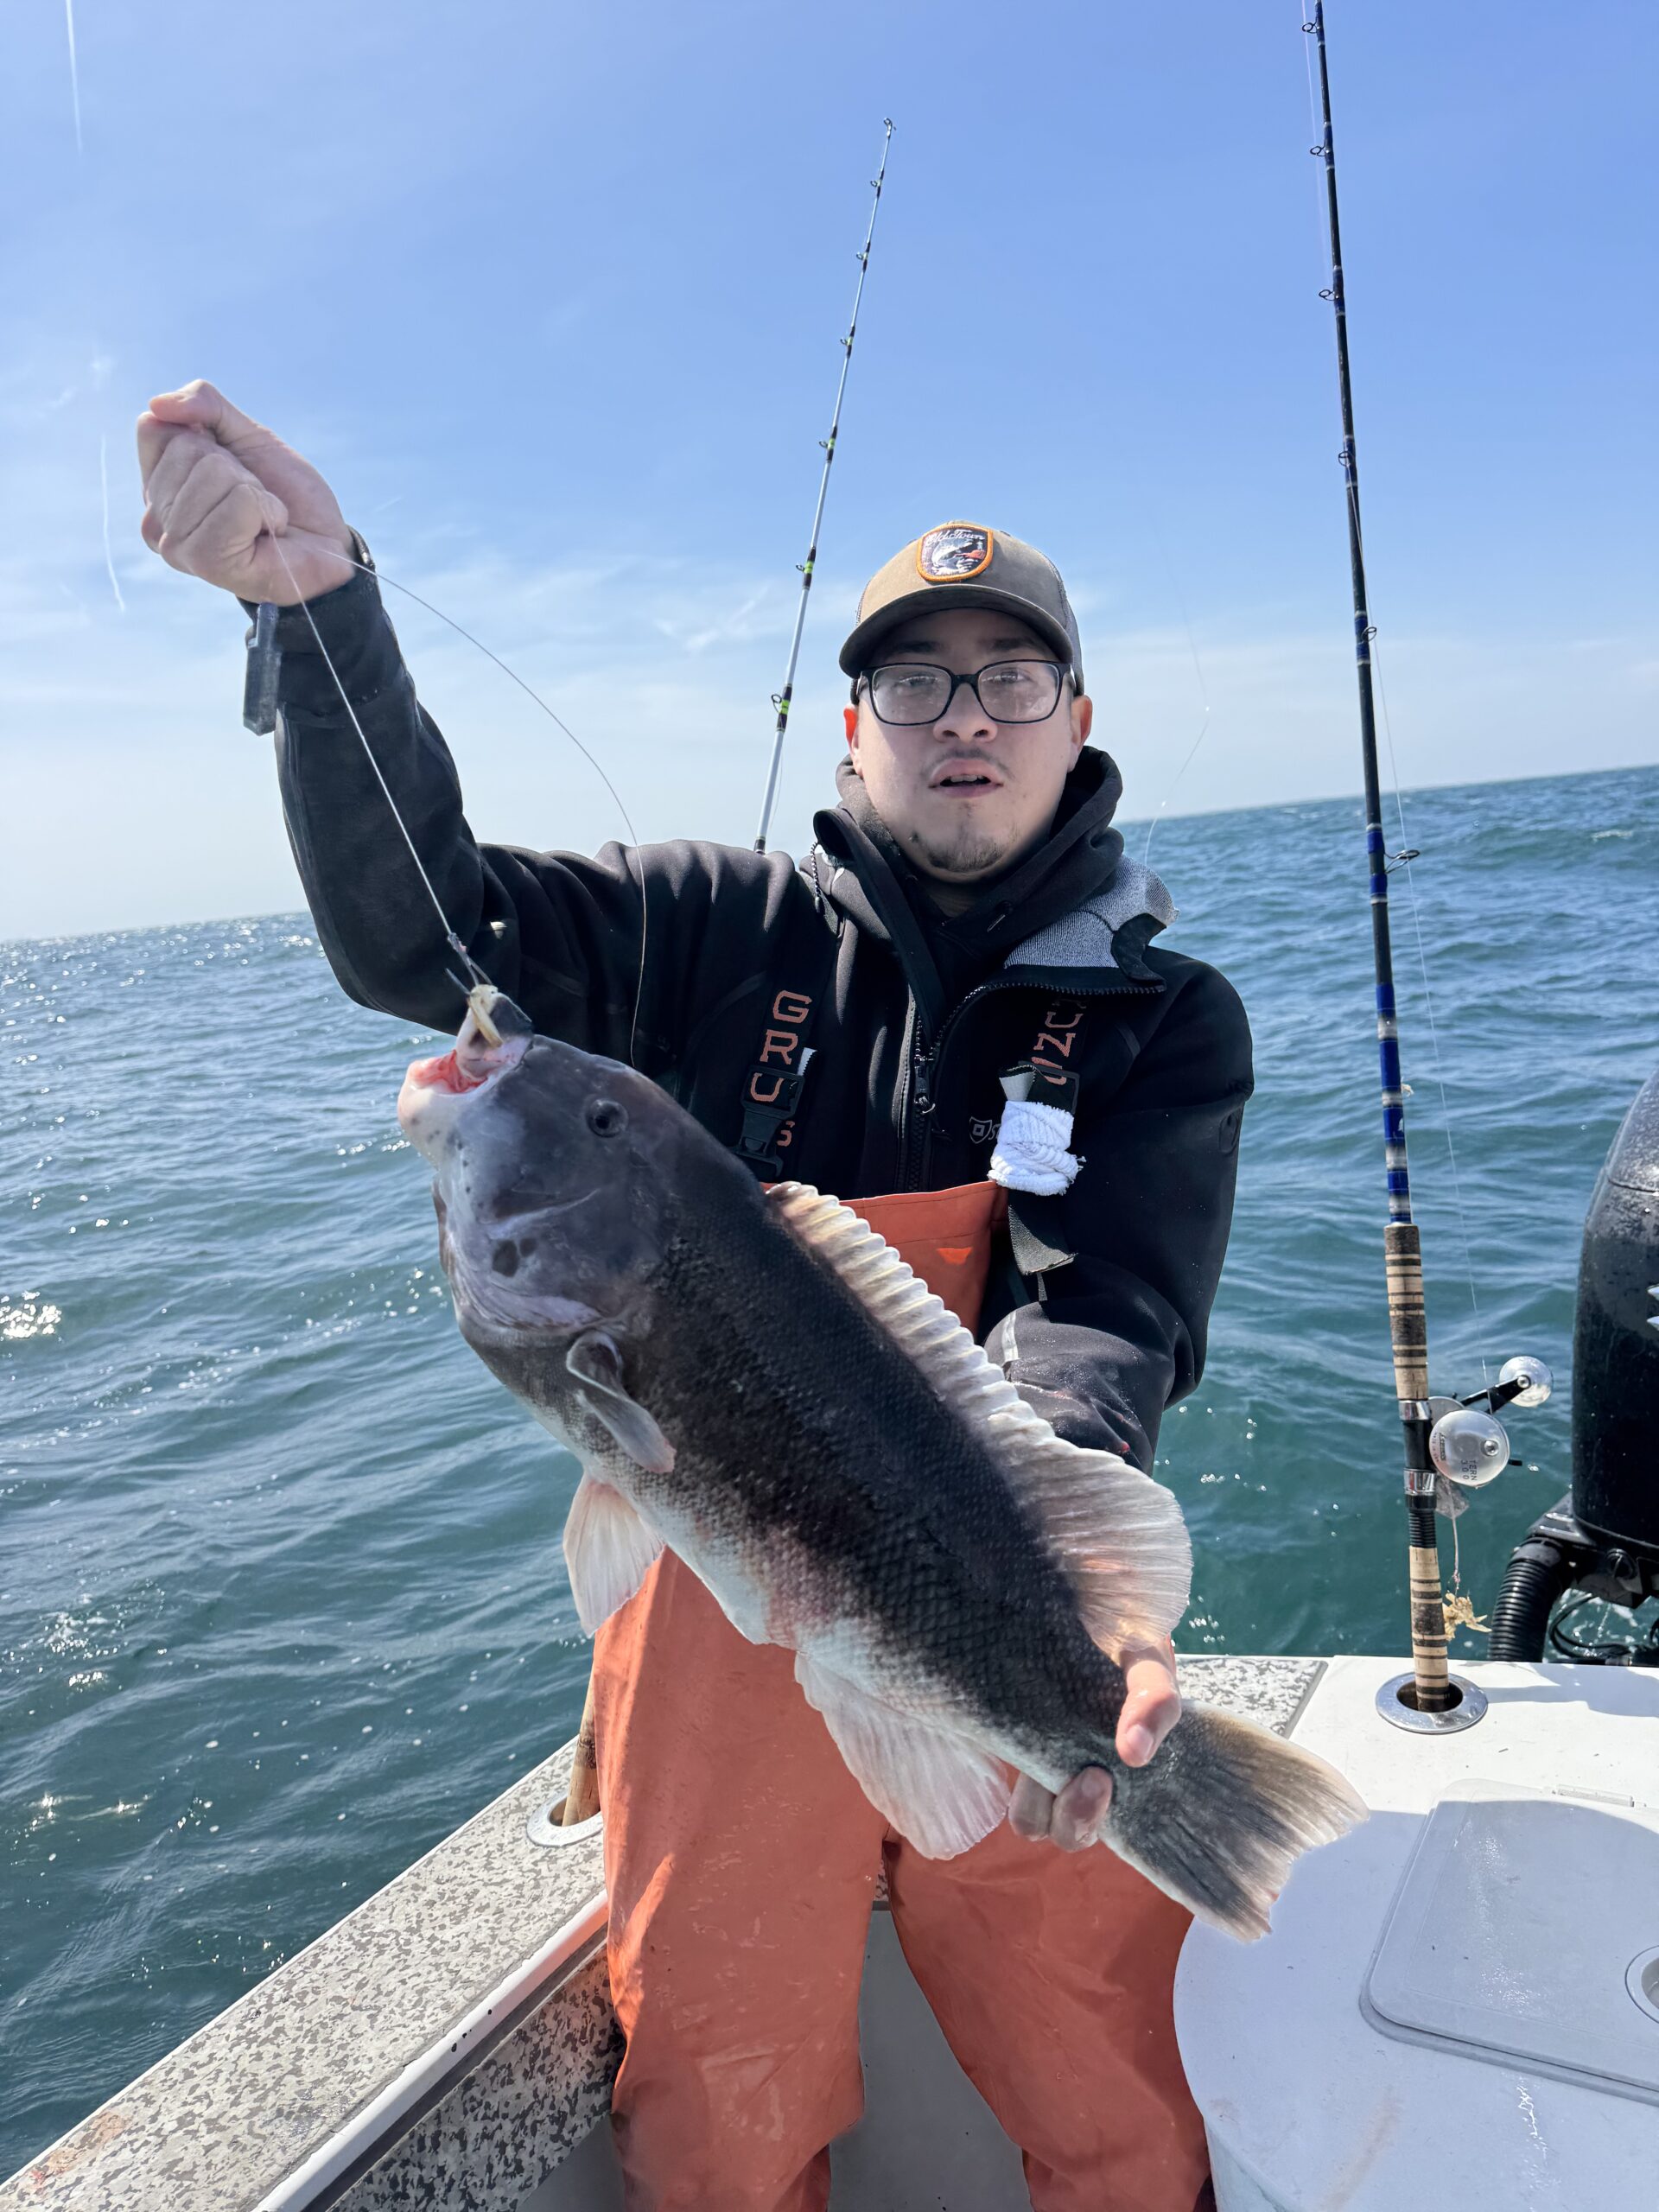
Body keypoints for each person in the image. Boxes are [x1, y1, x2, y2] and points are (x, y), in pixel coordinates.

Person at [137, 381, 1252, 2212]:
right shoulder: (705, 923)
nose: (963, 715)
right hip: (708, 1607)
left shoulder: (1163, 1016)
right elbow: (424, 937)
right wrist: (317, 614)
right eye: (918, 679)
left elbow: (1104, 1308)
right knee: (717, 2103)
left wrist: (1054, 1600)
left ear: (1078, 721)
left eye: (1009, 676)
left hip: (988, 1571)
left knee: (1105, 2076)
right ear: (854, 725)